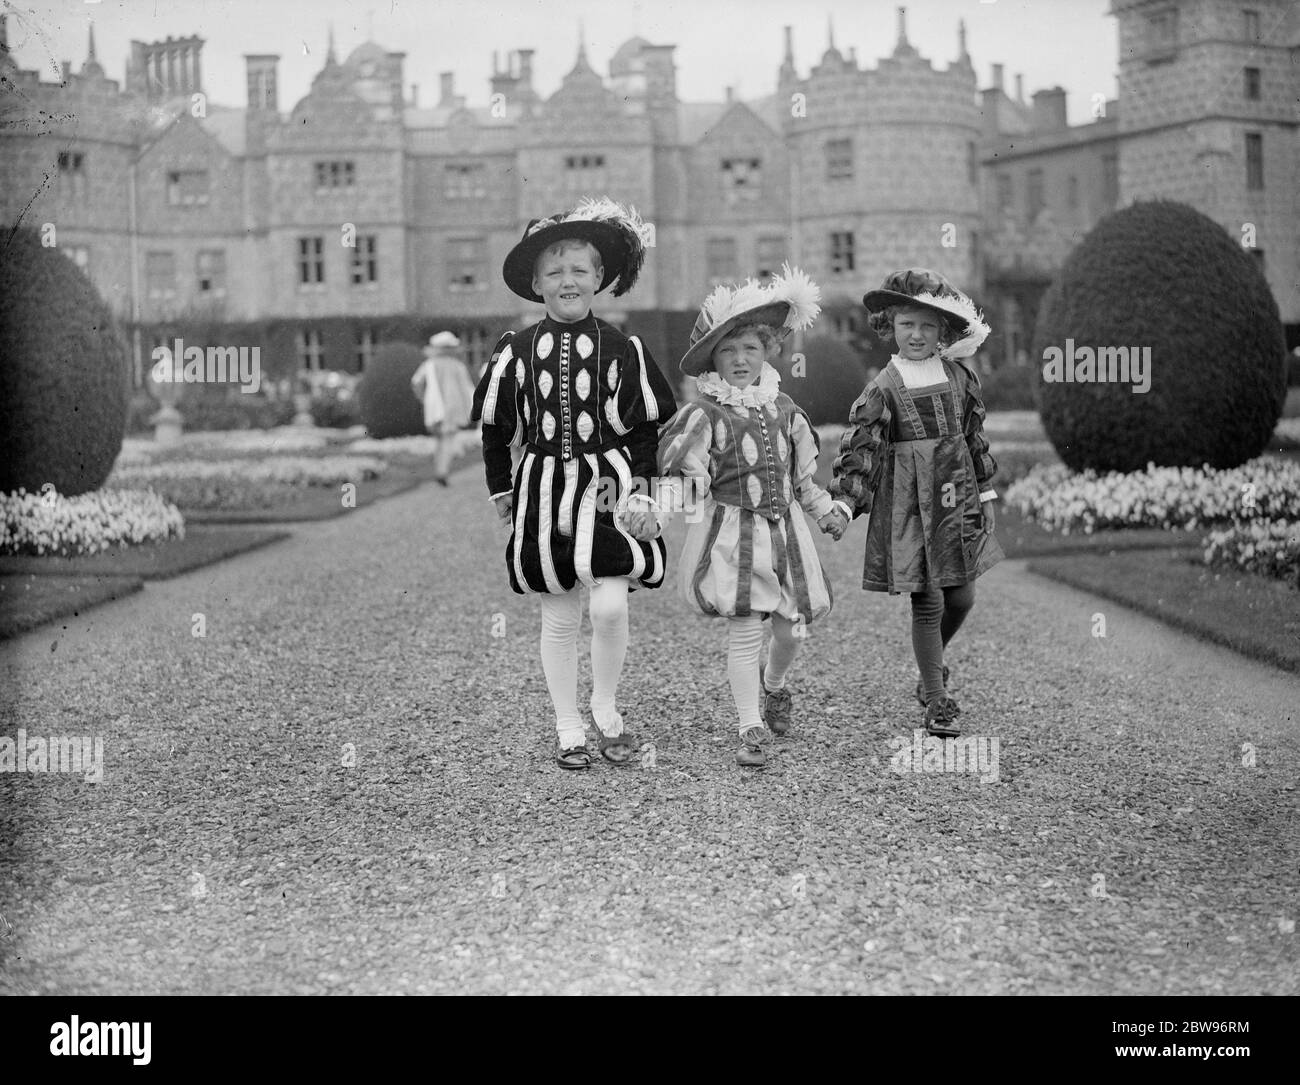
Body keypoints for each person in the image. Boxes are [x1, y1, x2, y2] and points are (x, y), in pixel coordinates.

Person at [471, 197, 676, 770]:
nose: (568, 280)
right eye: (554, 271)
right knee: (559, 612)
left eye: (579, 270)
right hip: (540, 487)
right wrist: (501, 486)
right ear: (536, 283)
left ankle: (605, 705)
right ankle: (568, 723)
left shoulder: (623, 348)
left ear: (600, 279)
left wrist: (641, 488)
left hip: (606, 485)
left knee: (610, 603)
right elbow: (495, 428)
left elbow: (645, 426)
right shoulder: (514, 352)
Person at [653, 266, 846, 768]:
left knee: (789, 629)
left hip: (787, 534)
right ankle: (749, 725)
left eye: (750, 349)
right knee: (746, 628)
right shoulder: (705, 415)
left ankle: (774, 685)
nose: (740, 359)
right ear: (714, 360)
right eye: (728, 350)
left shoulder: (785, 411)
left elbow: (803, 480)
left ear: (767, 352)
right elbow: (685, 476)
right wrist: (659, 509)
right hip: (735, 534)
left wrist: (825, 512)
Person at [828, 268, 1004, 738]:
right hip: (910, 507)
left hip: (956, 497)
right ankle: (936, 696)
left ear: (943, 330)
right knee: (926, 601)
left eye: (928, 325)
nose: (918, 334)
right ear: (890, 325)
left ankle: (933, 665)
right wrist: (845, 504)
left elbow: (973, 437)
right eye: (908, 324)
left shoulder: (960, 377)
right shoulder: (882, 388)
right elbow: (861, 451)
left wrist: (984, 492)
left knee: (962, 596)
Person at [411, 331, 477, 485]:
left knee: (440, 439)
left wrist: (424, 398)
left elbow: (416, 383)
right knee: (447, 438)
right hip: (453, 406)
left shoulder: (429, 365)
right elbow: (467, 388)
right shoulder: (457, 365)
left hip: (434, 406)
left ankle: (439, 469)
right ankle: (442, 471)